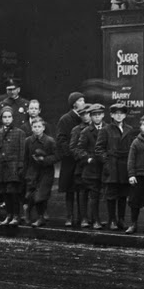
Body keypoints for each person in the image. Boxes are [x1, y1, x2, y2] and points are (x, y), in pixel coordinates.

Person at [98, 101, 136, 230]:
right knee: (111, 194)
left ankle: (121, 219)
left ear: (125, 116)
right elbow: (99, 149)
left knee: (123, 194)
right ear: (112, 115)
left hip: (124, 165)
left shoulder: (130, 129)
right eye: (116, 114)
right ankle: (112, 220)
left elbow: (132, 147)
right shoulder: (106, 129)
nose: (119, 116)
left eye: (122, 113)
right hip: (112, 166)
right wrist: (106, 162)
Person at [0, 104, 29, 226]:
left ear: (13, 118)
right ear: (2, 119)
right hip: (3, 167)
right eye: (4, 117)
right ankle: (9, 215)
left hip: (14, 168)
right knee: (5, 193)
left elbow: (22, 151)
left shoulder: (20, 133)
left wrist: (20, 166)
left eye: (9, 117)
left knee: (14, 193)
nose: (7, 119)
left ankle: (16, 216)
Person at [70, 101, 105, 228]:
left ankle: (97, 218)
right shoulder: (85, 131)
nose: (97, 117)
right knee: (90, 193)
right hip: (89, 168)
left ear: (103, 115)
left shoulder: (107, 128)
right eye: (94, 115)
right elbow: (78, 149)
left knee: (100, 194)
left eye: (99, 114)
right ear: (90, 116)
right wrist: (88, 158)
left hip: (104, 166)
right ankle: (93, 219)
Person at [57, 93, 87, 226]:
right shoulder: (65, 119)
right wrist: (70, 153)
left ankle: (82, 217)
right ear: (74, 104)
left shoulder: (85, 117)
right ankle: (69, 216)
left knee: (81, 189)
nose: (83, 102)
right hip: (70, 160)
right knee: (70, 190)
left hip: (81, 160)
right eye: (81, 100)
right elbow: (61, 139)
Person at [25, 113, 59, 228]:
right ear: (31, 128)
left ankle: (40, 218)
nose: (37, 129)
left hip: (46, 173)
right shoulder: (28, 141)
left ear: (43, 128)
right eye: (35, 127)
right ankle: (28, 212)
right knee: (30, 195)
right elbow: (25, 158)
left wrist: (44, 159)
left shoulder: (50, 141)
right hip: (33, 172)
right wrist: (24, 172)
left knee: (41, 195)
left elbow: (57, 156)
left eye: (39, 127)